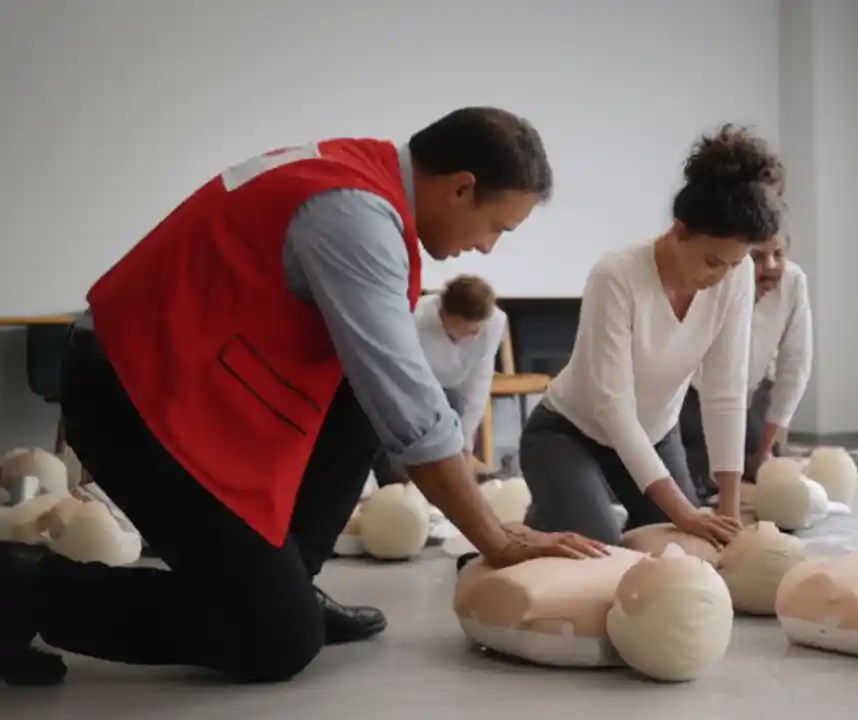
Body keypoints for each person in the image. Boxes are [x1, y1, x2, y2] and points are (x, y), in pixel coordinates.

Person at [0, 107, 606, 687]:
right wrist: (496, 537)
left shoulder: (360, 178)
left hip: (186, 376)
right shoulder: (354, 215)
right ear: (461, 188)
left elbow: (390, 391)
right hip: (129, 394)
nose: (489, 248)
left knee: (361, 394)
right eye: (497, 227)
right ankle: (21, 589)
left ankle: (290, 584)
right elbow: (410, 406)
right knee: (272, 640)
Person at [519, 125, 786, 548]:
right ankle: (545, 515)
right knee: (602, 549)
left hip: (655, 436)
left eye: (734, 265)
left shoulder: (734, 278)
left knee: (688, 553)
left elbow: (725, 393)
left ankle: (561, 510)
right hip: (569, 434)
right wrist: (684, 512)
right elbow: (613, 408)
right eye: (712, 262)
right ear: (679, 232)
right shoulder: (617, 275)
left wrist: (729, 510)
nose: (721, 277)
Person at [679, 227, 813, 500]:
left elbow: (795, 365)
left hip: (750, 396)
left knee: (766, 472)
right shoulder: (710, 281)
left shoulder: (793, 281)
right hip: (691, 398)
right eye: (757, 257)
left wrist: (766, 448)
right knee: (697, 485)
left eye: (778, 254)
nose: (771, 266)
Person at [373, 274, 506, 485]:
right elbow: (398, 381)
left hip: (451, 396)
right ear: (442, 313)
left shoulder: (494, 322)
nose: (467, 339)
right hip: (408, 391)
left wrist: (465, 445)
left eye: (474, 332)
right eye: (458, 332)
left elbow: (478, 383)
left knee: (456, 414)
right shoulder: (416, 318)